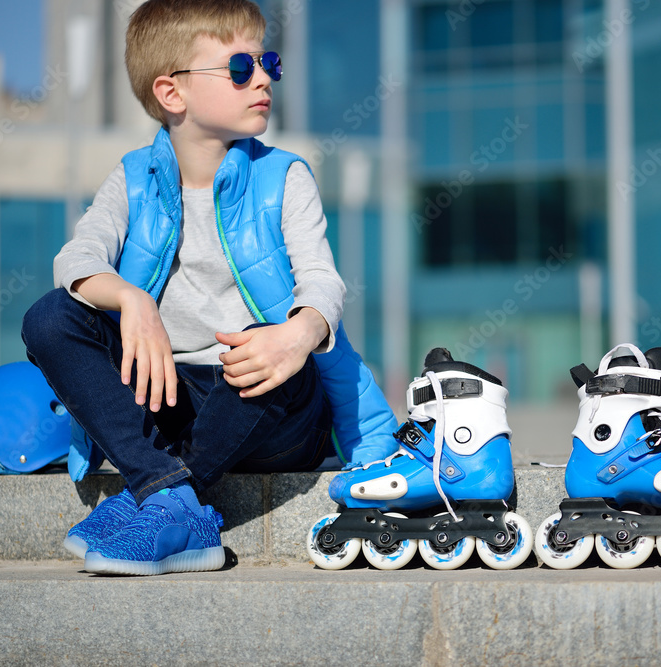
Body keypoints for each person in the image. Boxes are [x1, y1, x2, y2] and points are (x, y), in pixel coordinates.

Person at [22, 0, 397, 576]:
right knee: (50, 317)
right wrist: (132, 299)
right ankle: (173, 499)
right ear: (173, 94)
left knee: (260, 343)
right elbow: (76, 257)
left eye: (267, 60)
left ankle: (158, 493)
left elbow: (322, 280)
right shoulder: (131, 178)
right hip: (170, 397)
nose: (265, 77)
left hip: (269, 402)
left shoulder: (285, 175)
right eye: (241, 68)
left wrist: (294, 338)